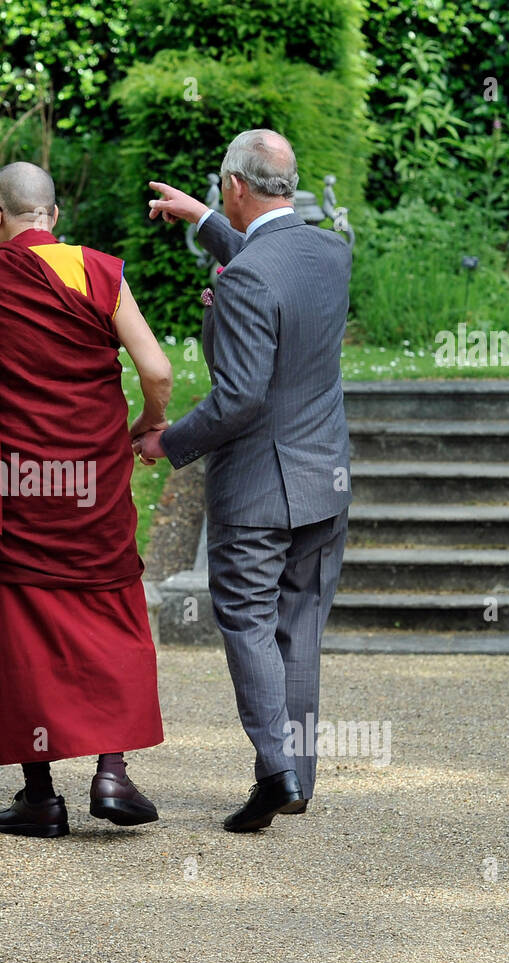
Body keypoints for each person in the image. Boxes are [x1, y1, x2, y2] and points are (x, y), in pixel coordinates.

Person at [0, 162, 172, 837]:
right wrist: (147, 422)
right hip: (91, 484)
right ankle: (112, 772)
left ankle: (41, 796)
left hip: (20, 489)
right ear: (52, 217)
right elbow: (158, 369)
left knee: (18, 621)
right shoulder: (96, 271)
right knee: (111, 604)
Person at [135, 129, 352, 833]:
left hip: (259, 488)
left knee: (249, 622)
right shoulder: (330, 253)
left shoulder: (246, 281)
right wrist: (203, 221)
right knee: (299, 628)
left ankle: (275, 768)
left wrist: (168, 441)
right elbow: (272, 265)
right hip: (326, 481)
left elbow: (239, 399)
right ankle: (299, 776)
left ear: (235, 185)